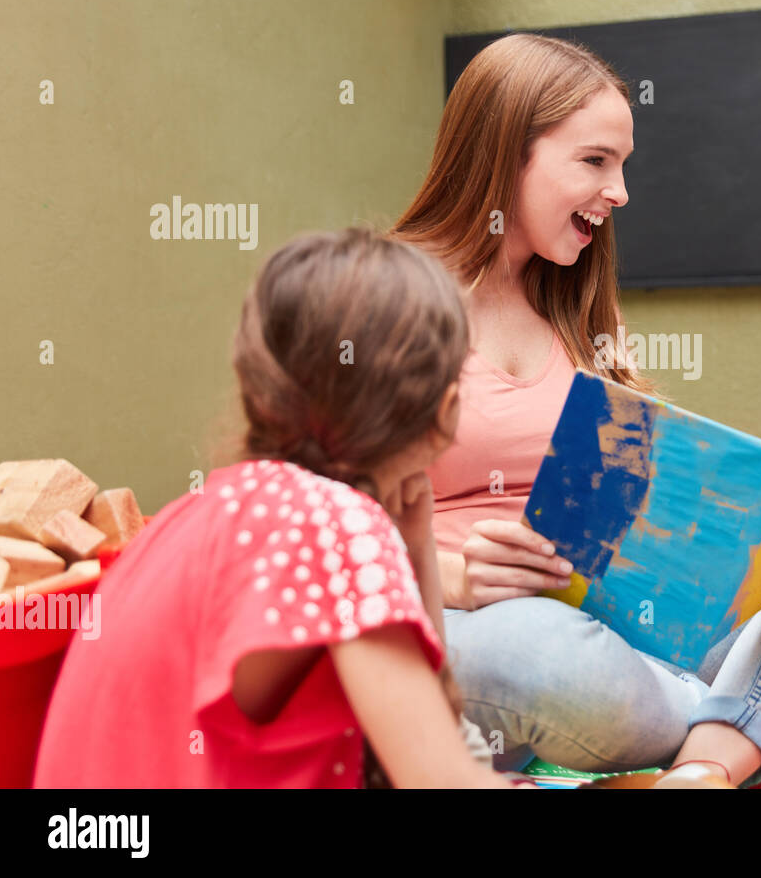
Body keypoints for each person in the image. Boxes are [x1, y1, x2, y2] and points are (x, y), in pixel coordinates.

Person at [392, 32, 761, 788]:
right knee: (535, 651)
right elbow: (308, 524)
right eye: (595, 161)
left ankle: (706, 762)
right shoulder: (383, 297)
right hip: (496, 632)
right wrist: (448, 575)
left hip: (630, 624)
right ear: (507, 150)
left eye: (623, 165)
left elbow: (647, 498)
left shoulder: (575, 302)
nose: (619, 193)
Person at [35, 228, 516, 788]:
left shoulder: (192, 515)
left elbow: (424, 739)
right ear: (447, 410)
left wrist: (415, 549)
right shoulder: (335, 524)